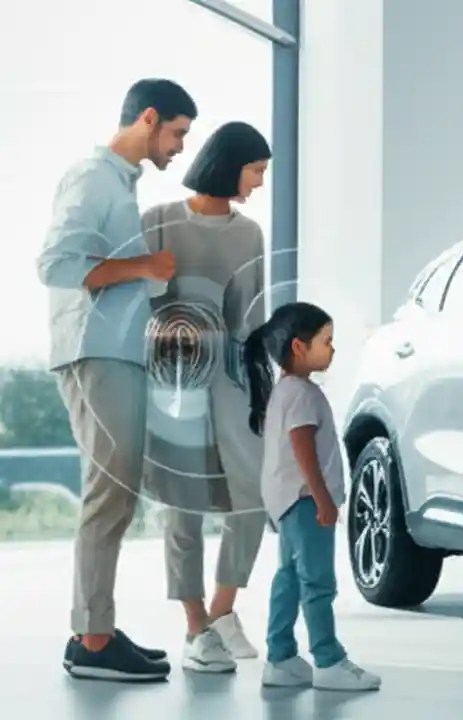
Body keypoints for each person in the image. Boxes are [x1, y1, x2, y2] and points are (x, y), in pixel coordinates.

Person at [35, 78, 197, 682]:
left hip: (117, 354)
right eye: (178, 132)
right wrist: (143, 266)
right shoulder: (92, 177)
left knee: (116, 491)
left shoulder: (121, 187)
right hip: (94, 353)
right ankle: (94, 641)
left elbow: (116, 278)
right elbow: (55, 264)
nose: (180, 146)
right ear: (148, 118)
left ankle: (94, 628)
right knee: (110, 493)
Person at [139, 121, 271, 673]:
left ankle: (222, 612)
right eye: (255, 170)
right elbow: (135, 301)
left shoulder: (250, 234)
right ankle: (196, 629)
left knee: (253, 496)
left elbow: (249, 319)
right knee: (183, 506)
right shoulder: (158, 221)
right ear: (229, 165)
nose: (260, 182)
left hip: (229, 380)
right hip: (170, 383)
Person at [245, 302, 381, 691]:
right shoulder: (302, 394)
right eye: (326, 341)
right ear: (298, 347)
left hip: (288, 500)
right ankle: (328, 659)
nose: (333, 349)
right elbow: (302, 447)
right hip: (305, 500)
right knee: (318, 581)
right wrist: (323, 498)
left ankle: (281, 657)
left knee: (289, 578)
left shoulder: (286, 391)